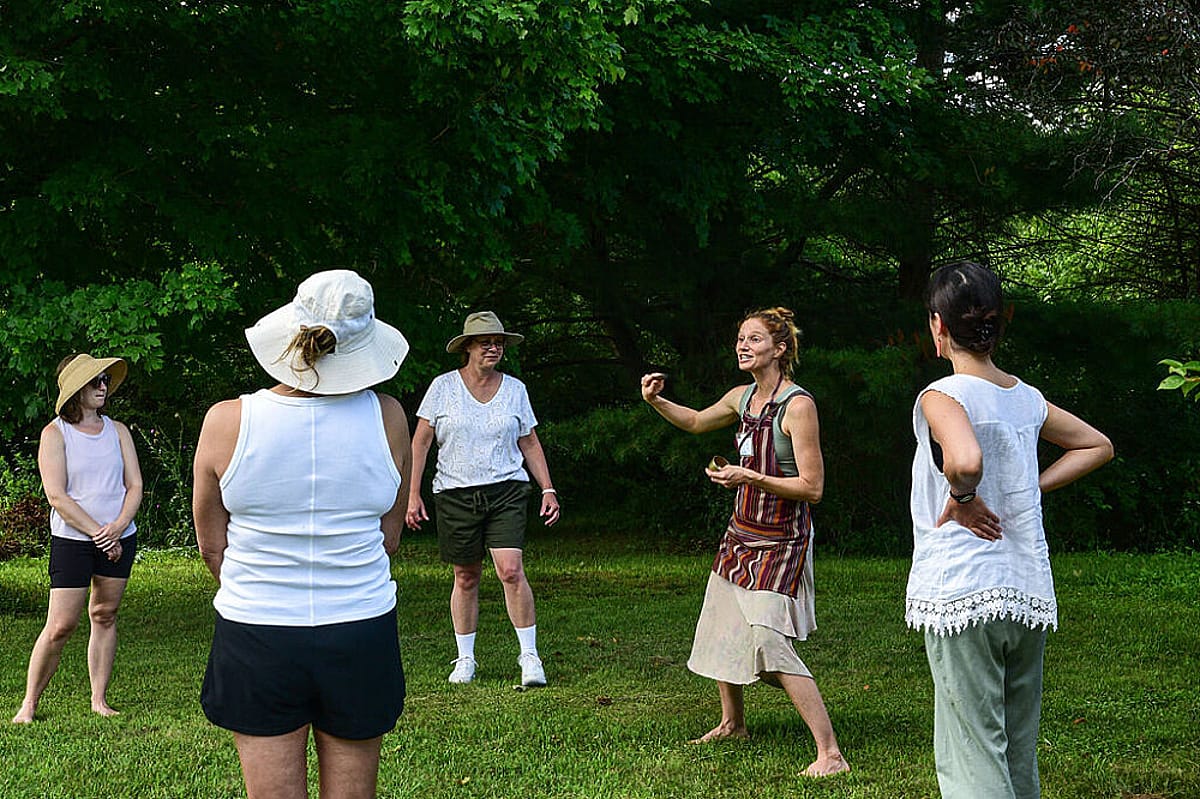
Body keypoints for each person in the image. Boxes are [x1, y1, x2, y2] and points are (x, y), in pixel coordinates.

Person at [193, 269, 412, 799]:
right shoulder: (388, 417)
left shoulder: (227, 421)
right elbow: (389, 537)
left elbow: (211, 544)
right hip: (360, 628)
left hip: (257, 633)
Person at [908, 262, 1113, 799]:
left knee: (972, 753)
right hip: (1025, 592)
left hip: (964, 593)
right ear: (997, 324)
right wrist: (1028, 486)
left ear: (939, 326)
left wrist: (965, 499)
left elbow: (966, 459)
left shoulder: (942, 394)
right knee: (1016, 751)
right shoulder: (1026, 398)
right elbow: (1097, 445)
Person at [640, 307, 850, 777]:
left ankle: (831, 754)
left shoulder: (798, 406)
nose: (743, 345)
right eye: (740, 338)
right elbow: (695, 422)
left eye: (754, 339)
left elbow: (813, 488)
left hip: (781, 540)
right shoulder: (742, 397)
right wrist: (657, 402)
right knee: (720, 626)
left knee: (771, 644)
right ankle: (732, 723)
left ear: (779, 349)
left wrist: (749, 475)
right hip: (741, 534)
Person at [405, 311, 560, 688]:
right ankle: (466, 658)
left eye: (499, 342)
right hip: (454, 493)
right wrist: (411, 494)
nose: (494, 347)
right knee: (466, 575)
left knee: (510, 569)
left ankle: (529, 656)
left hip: (506, 489)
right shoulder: (442, 387)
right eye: (486, 342)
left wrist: (548, 488)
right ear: (468, 348)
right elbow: (420, 442)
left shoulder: (515, 390)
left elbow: (529, 440)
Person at [12, 353, 143, 724]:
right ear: (75, 391)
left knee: (104, 614)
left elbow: (134, 485)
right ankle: (29, 703)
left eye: (105, 380)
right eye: (95, 381)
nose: (103, 386)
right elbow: (57, 496)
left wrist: (117, 527)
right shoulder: (55, 434)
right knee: (61, 625)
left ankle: (99, 699)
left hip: (120, 535)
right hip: (74, 540)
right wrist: (101, 535)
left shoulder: (117, 430)